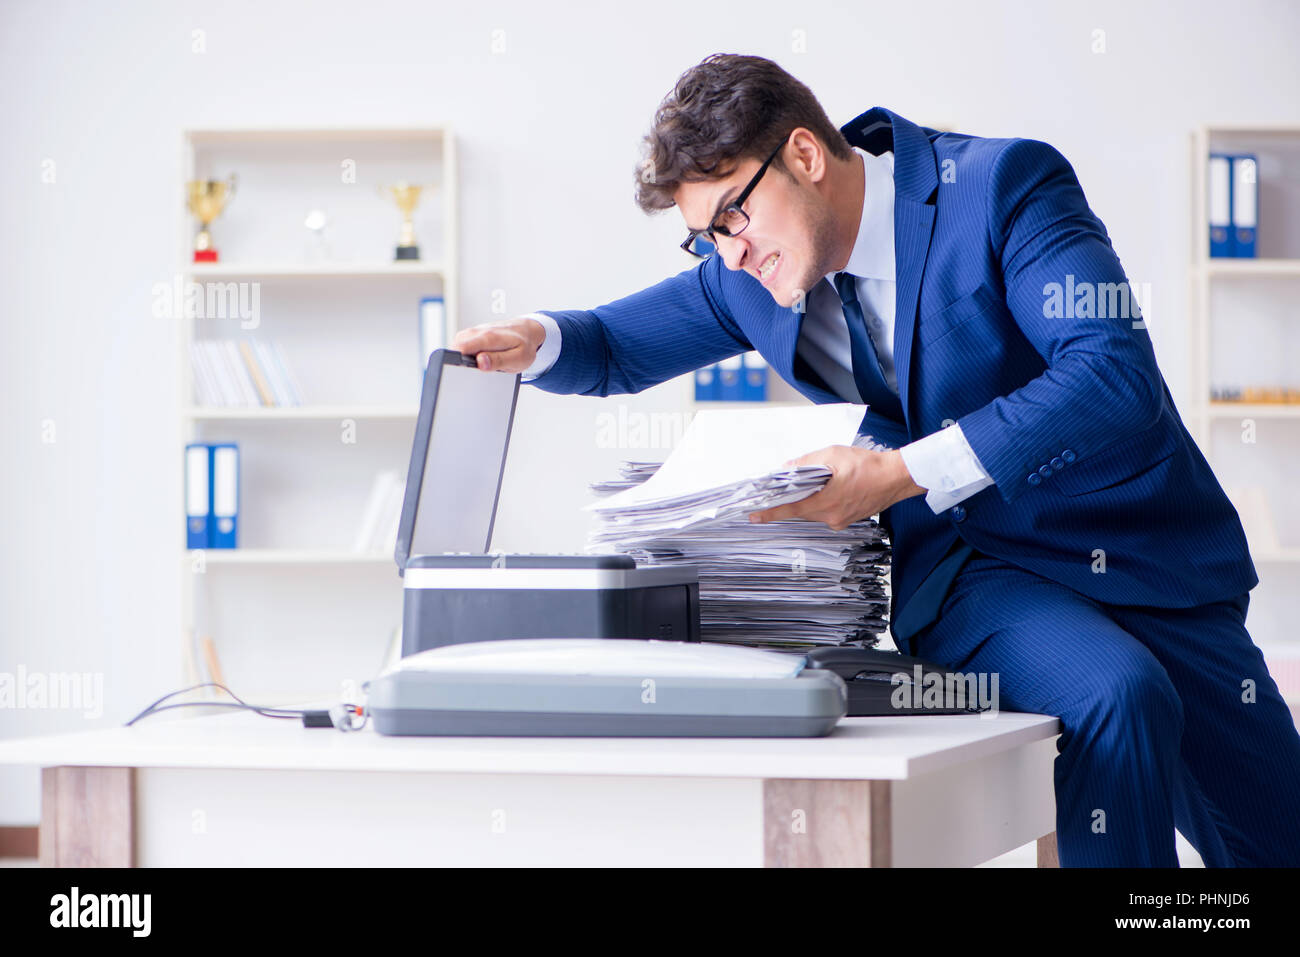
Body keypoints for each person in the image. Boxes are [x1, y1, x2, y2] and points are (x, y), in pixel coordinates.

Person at [450, 53, 1300, 867]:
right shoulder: (747, 276)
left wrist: (901, 473)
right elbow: (612, 345)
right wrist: (535, 340)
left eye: (732, 220)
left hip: (1143, 558)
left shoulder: (1004, 188)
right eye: (704, 239)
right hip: (976, 577)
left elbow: (1112, 375)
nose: (728, 253)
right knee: (1118, 691)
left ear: (806, 155)